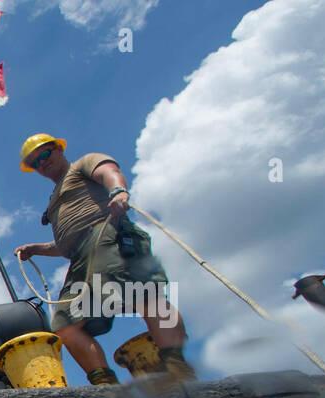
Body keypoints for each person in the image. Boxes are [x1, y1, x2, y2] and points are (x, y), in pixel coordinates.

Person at [13, 134, 196, 385]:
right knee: (65, 325)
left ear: (58, 149)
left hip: (108, 234)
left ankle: (177, 366)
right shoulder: (54, 199)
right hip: (80, 256)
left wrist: (118, 191)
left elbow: (109, 171)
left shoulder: (82, 165)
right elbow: (66, 244)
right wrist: (37, 249)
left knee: (144, 296)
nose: (41, 163)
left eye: (44, 154)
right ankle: (105, 383)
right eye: (34, 163)